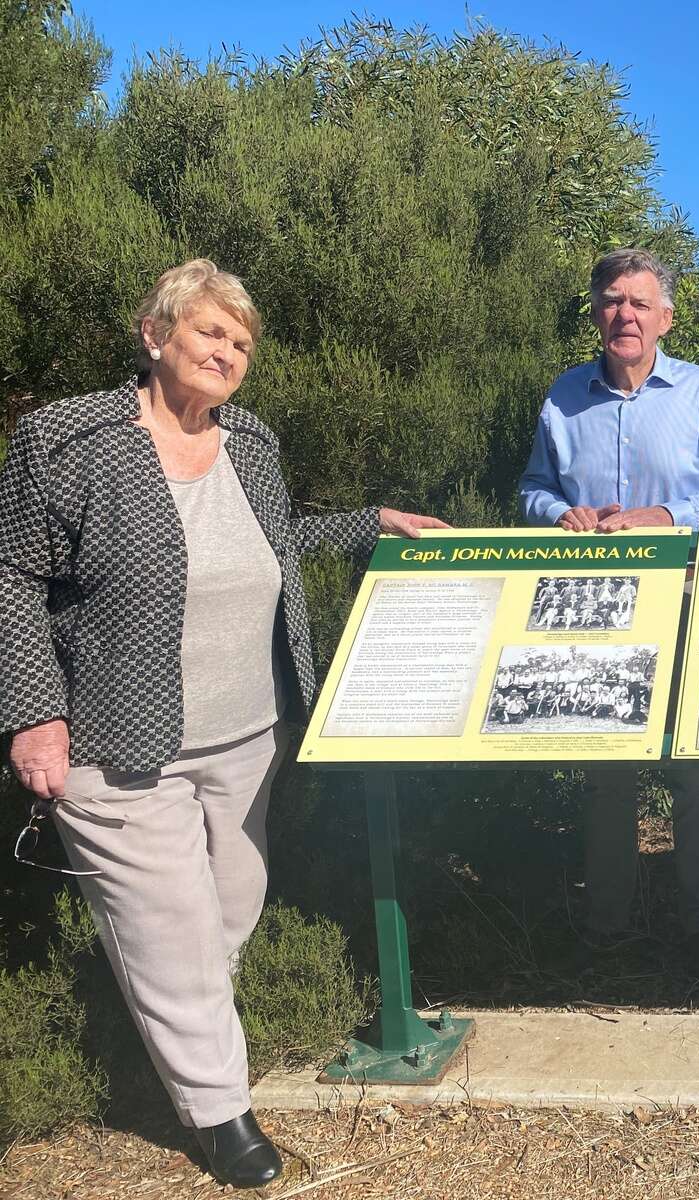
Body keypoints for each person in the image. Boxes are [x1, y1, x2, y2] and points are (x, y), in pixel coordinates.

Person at [0, 259, 447, 1188]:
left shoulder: (249, 439)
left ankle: (170, 1051)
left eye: (241, 342)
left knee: (228, 915)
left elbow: (274, 545)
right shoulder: (67, 439)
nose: (227, 352)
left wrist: (373, 522)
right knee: (174, 934)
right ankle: (223, 1116)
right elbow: (13, 579)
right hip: (119, 742)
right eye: (209, 332)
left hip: (249, 735)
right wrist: (34, 715)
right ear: (155, 332)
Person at [517, 248, 699, 985]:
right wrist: (560, 512)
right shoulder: (563, 398)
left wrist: (668, 516)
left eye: (639, 302)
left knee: (694, 772)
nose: (625, 314)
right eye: (612, 301)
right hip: (597, 612)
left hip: (685, 603)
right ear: (596, 313)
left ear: (666, 317)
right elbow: (531, 488)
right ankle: (607, 927)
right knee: (607, 775)